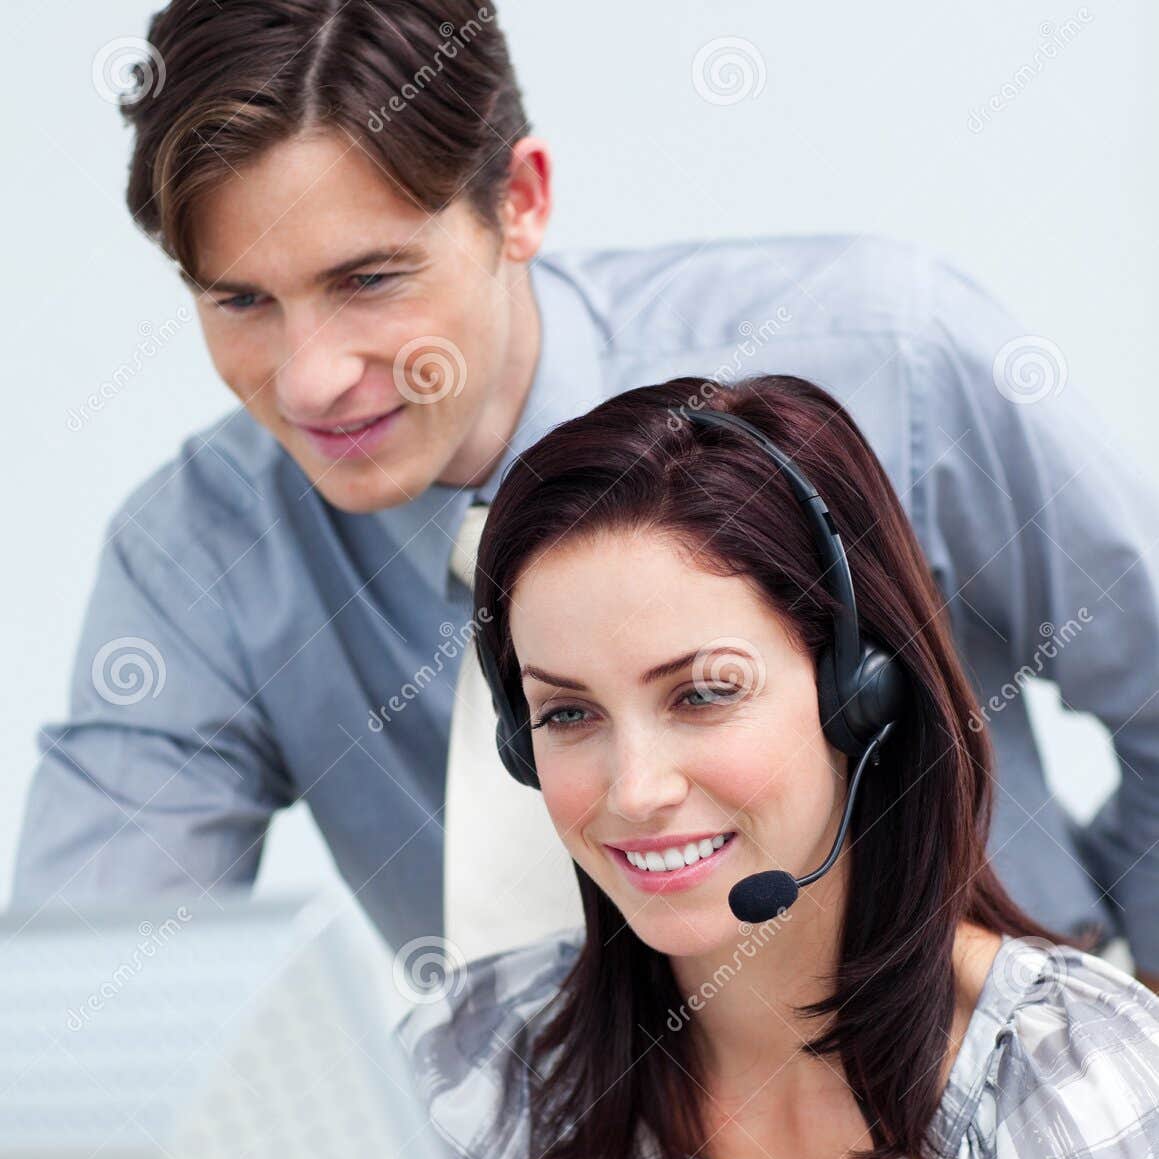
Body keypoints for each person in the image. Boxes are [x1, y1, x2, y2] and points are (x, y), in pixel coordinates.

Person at [11, 0, 1159, 992]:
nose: (310, 379)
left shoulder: (886, 359)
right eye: (240, 301)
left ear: (519, 199)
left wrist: (1102, 1019)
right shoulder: (202, 555)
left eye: (368, 279)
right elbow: (88, 1002)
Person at [393, 373, 1159, 1159]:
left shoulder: (1079, 1096)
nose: (633, 789)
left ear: (862, 692)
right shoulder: (466, 1075)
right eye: (568, 714)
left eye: (702, 693)